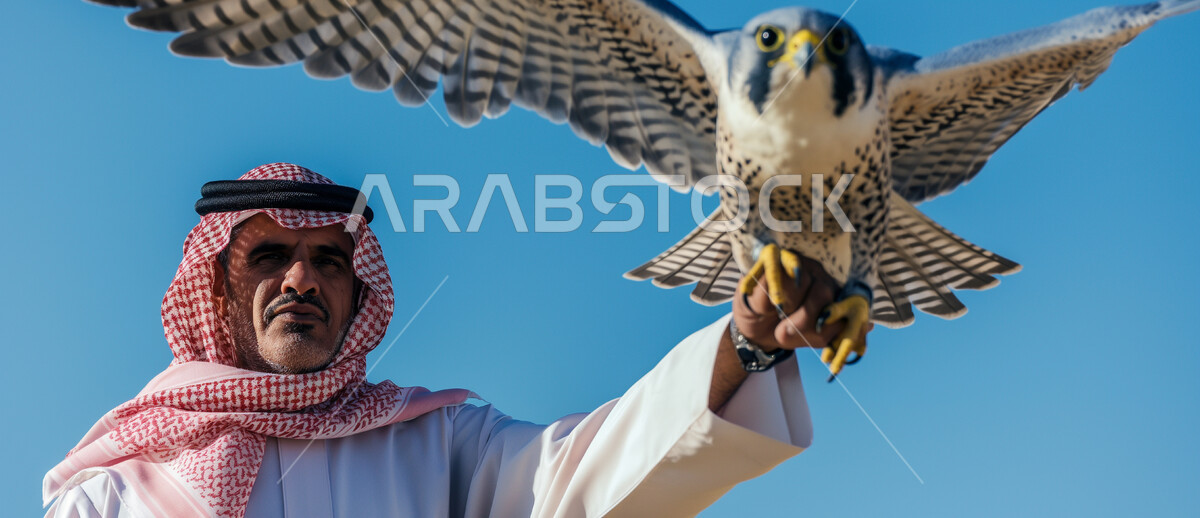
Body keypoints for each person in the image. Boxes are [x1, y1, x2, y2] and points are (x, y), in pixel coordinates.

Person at [43, 163, 867, 518]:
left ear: (358, 293)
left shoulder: (435, 447)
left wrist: (745, 344)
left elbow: (592, 474)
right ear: (219, 290)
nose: (301, 280)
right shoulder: (113, 497)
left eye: (328, 260)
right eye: (269, 257)